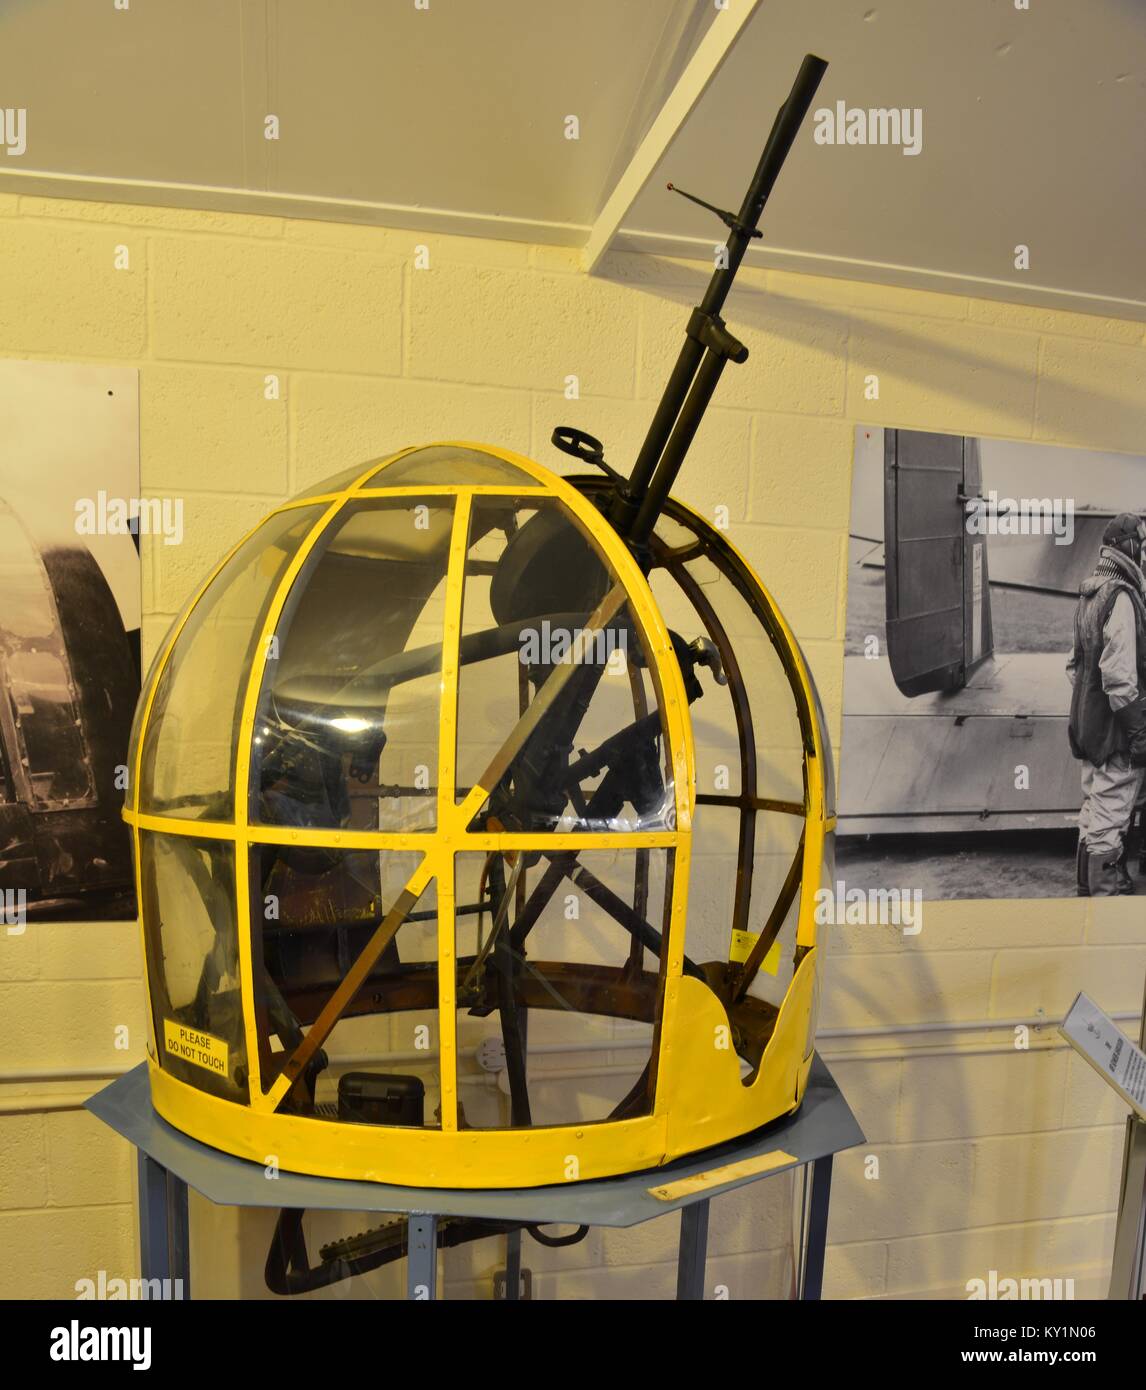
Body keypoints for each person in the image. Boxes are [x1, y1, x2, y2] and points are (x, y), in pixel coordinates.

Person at [1067, 512, 1146, 896]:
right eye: (1143, 545)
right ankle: (1105, 892)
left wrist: (1092, 707)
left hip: (1087, 724)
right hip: (1116, 730)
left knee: (1094, 805)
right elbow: (1120, 680)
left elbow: (1074, 667)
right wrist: (1138, 734)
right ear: (1129, 548)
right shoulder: (1122, 598)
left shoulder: (1091, 592)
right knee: (1112, 808)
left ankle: (1086, 885)